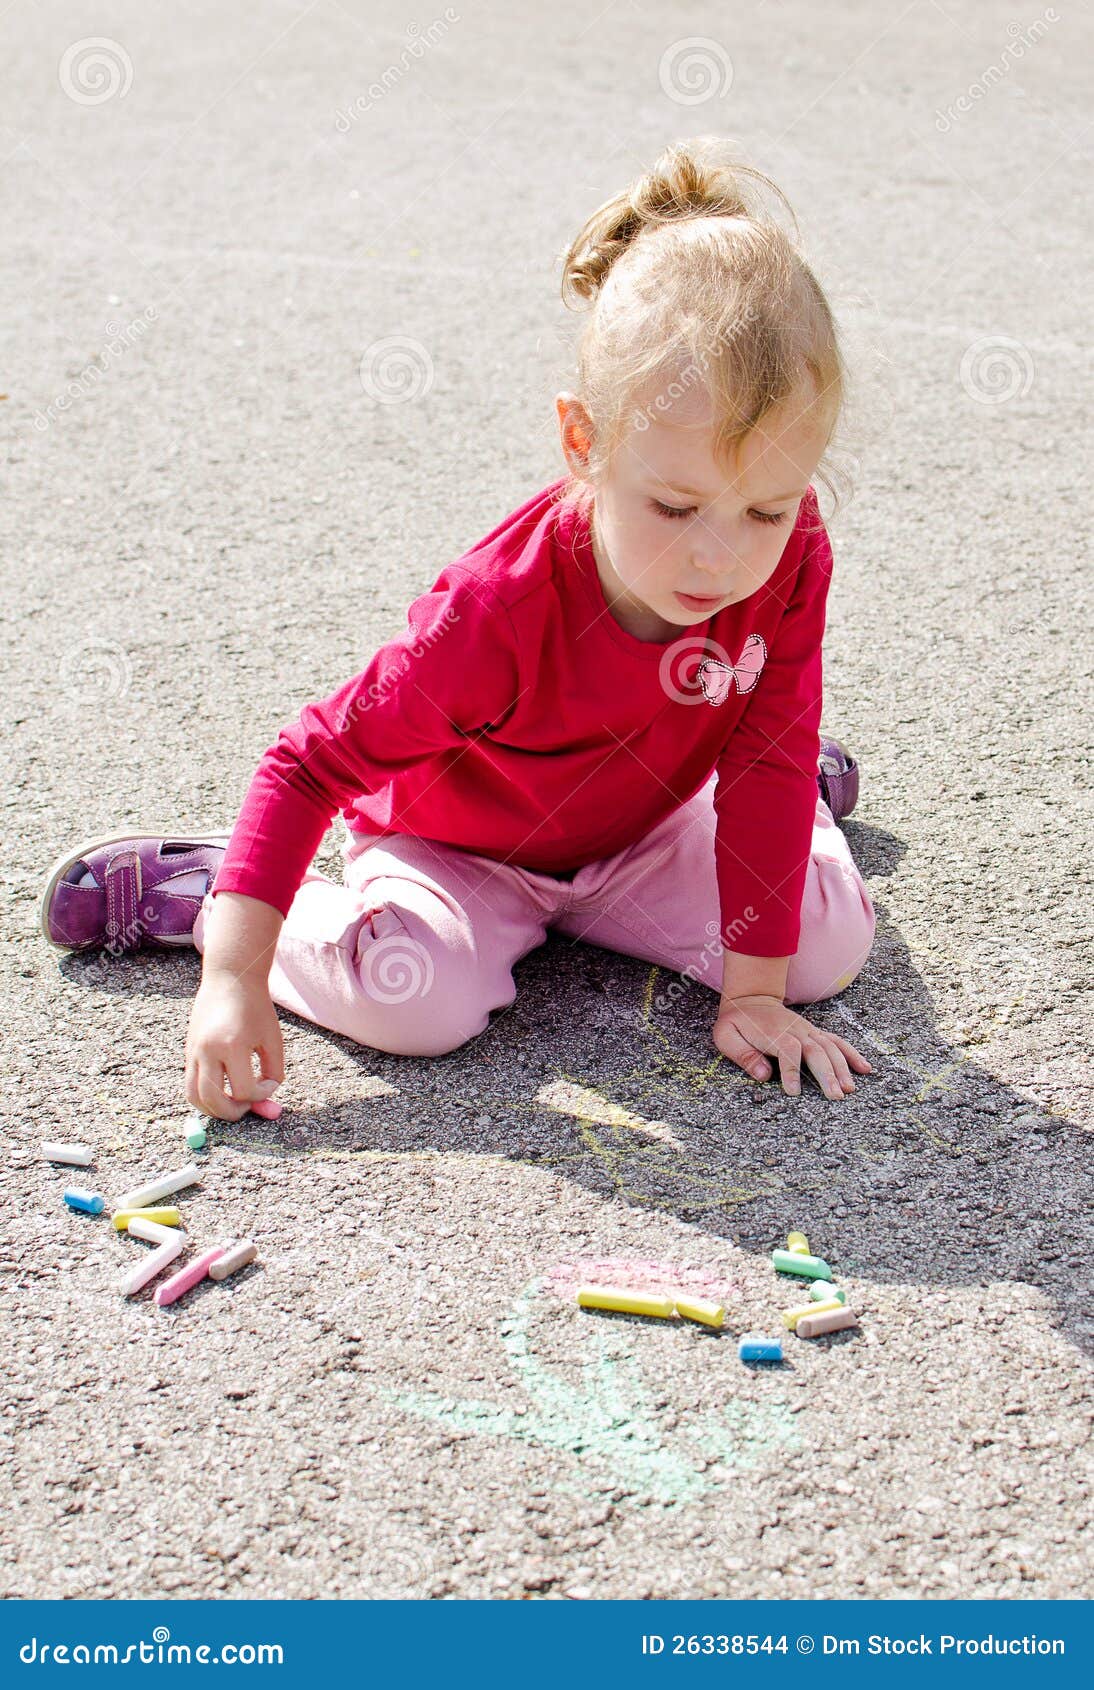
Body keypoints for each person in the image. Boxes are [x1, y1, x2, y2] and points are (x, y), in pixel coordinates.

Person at [40, 136, 877, 1122]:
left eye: (765, 511)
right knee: (418, 1004)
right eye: (674, 506)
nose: (718, 557)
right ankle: (210, 893)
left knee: (816, 952)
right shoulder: (496, 609)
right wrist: (234, 976)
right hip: (463, 852)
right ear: (584, 442)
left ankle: (740, 780)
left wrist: (754, 998)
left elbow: (771, 742)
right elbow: (308, 764)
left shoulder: (789, 551)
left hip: (645, 823)